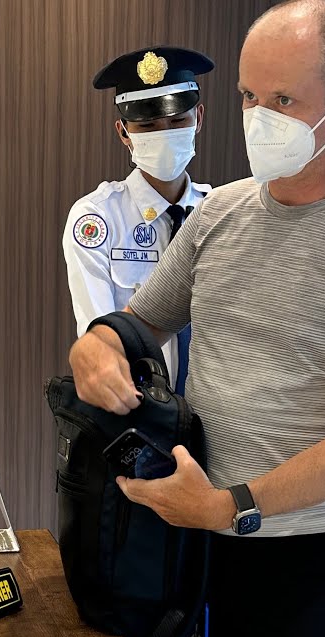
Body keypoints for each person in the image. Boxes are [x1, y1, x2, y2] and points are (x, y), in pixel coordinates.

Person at [67, 3, 325, 637]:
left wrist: (226, 505)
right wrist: (96, 343)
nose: (256, 117)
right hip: (205, 541)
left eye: (282, 100)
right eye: (247, 96)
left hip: (313, 551)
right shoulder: (218, 215)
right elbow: (141, 319)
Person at [62, 46, 213, 390]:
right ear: (123, 132)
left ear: (198, 119)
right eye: (147, 125)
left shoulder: (219, 213)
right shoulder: (98, 218)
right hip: (139, 409)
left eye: (177, 121)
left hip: (217, 418)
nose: (163, 134)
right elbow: (101, 341)